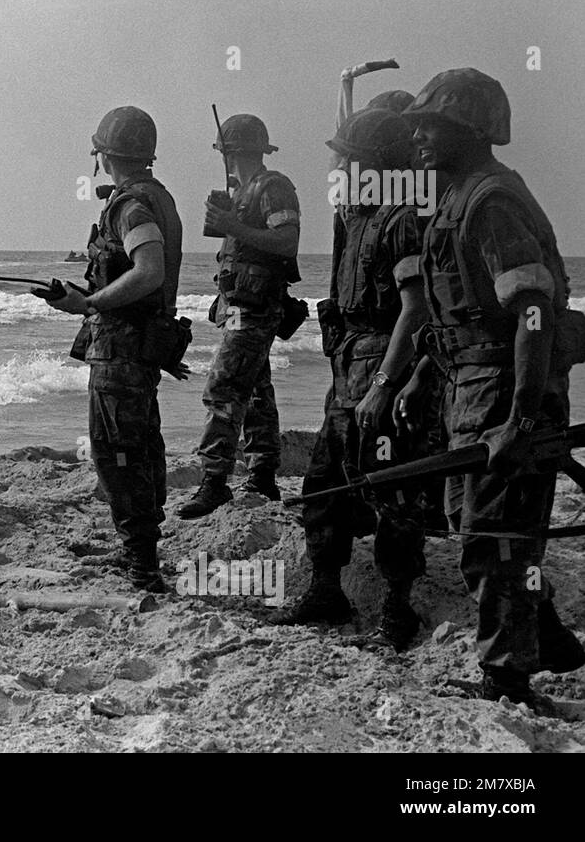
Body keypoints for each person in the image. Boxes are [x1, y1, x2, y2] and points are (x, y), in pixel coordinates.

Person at [397, 67, 584, 709]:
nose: (418, 137)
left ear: (471, 131)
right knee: (477, 525)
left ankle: (508, 680)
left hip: (507, 392)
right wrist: (423, 377)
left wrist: (522, 419)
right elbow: (454, 315)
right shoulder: (453, 201)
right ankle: (549, 635)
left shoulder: (491, 201)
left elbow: (533, 312)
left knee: (498, 541)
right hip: (468, 391)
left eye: (432, 125)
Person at [274, 108, 432, 649]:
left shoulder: (401, 219)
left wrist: (387, 384)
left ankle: (397, 607)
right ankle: (326, 590)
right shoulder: (356, 216)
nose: (337, 167)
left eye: (346, 158)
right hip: (347, 373)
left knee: (392, 490)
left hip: (383, 369)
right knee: (325, 485)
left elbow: (416, 310)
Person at [46, 106, 183, 590]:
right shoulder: (154, 197)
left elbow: (149, 271)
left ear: (105, 155)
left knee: (117, 453)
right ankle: (141, 552)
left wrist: (89, 303)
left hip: (122, 351)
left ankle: (142, 564)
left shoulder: (129, 206)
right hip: (139, 349)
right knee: (139, 447)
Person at [179, 114, 301, 518]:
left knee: (224, 388)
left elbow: (286, 240)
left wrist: (233, 223)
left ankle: (214, 482)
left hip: (255, 309)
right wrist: (228, 219)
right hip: (238, 308)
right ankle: (263, 475)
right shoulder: (246, 191)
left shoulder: (273, 187)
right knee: (257, 391)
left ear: (232, 151)